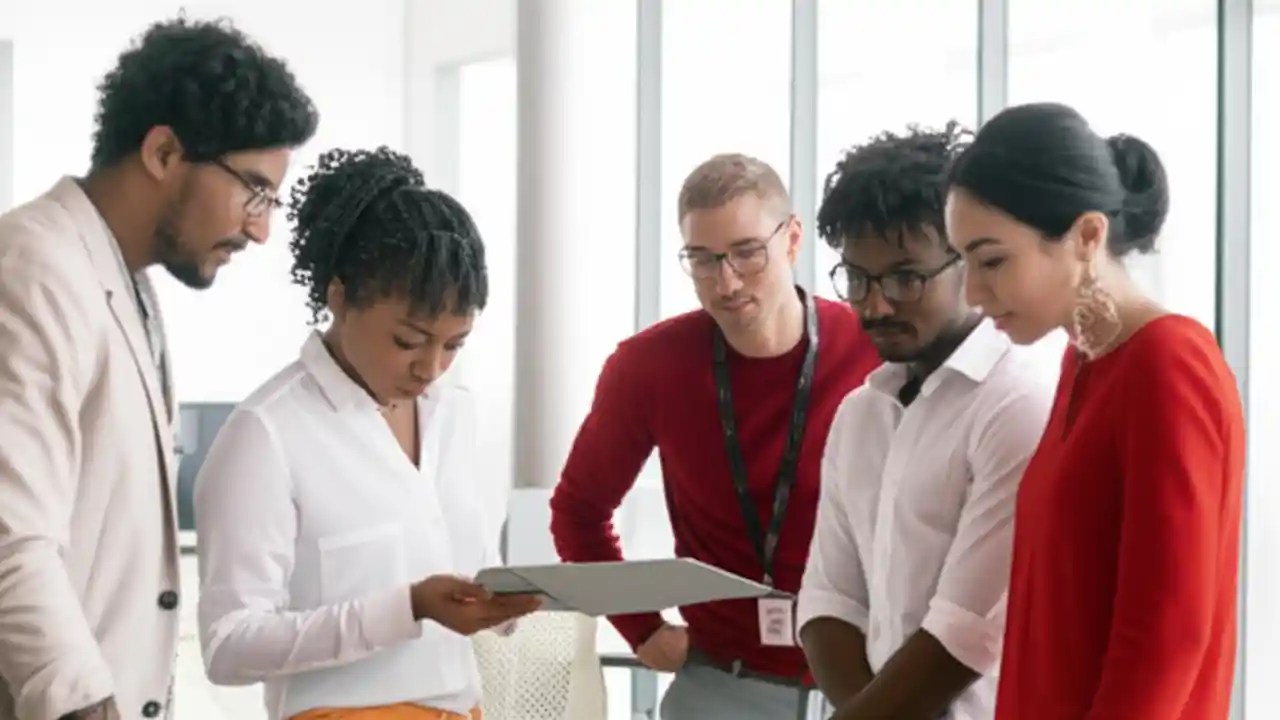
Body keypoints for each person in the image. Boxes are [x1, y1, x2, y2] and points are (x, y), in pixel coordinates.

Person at [0, 17, 317, 720]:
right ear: (164, 151)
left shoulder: (124, 278)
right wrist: (86, 704)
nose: (261, 227)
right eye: (253, 190)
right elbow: (9, 534)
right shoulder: (35, 270)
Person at [194, 147, 540, 720]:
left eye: (454, 345)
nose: (429, 368)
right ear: (339, 299)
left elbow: (469, 569)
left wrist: (502, 603)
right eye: (408, 341)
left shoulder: (453, 413)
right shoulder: (266, 435)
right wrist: (405, 608)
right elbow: (228, 648)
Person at [550, 153, 882, 719]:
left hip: (870, 681)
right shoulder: (649, 367)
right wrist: (642, 629)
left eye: (747, 253)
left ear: (792, 239)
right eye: (703, 260)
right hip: (722, 684)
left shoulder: (873, 347)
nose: (726, 282)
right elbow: (578, 512)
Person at [945, 102, 1245, 719]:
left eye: (992, 260)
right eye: (965, 263)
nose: (972, 294)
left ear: (1086, 236)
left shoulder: (1167, 363)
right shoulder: (1083, 363)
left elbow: (1168, 635)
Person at [795, 124, 1055, 720]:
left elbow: (967, 634)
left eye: (906, 278)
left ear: (965, 258)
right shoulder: (860, 413)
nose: (874, 304)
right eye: (857, 277)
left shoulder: (1017, 402)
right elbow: (828, 601)